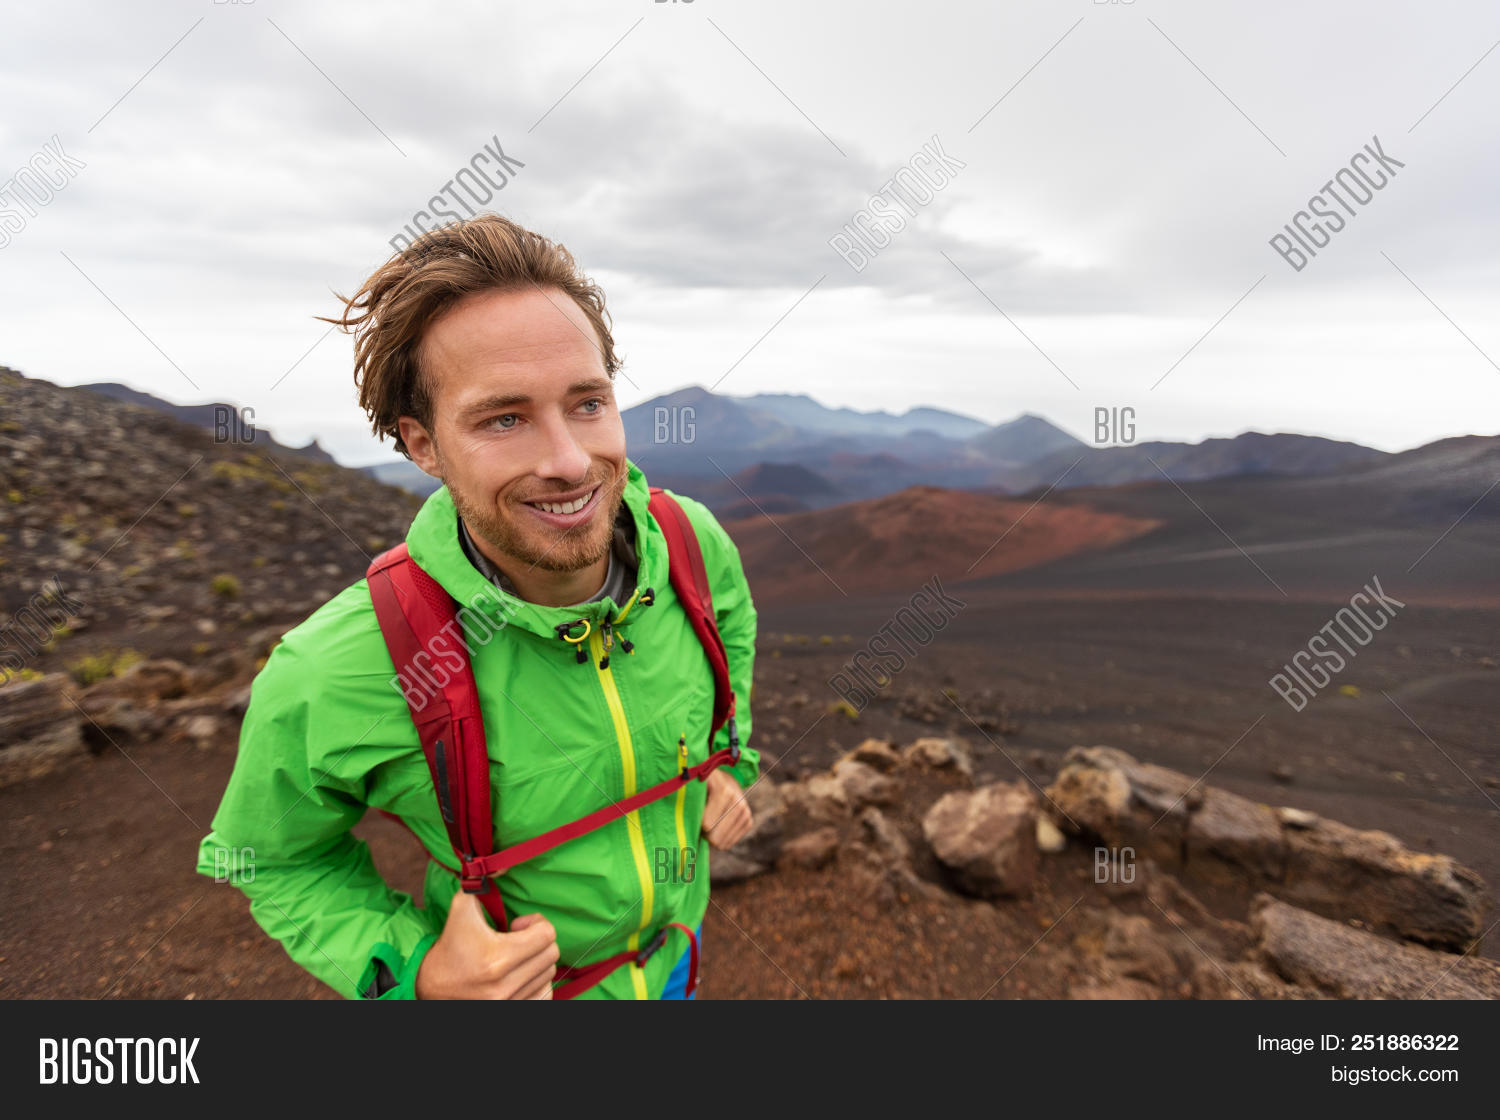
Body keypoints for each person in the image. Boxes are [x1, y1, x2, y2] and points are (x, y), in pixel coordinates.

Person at [196, 213, 758, 999]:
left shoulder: (690, 546)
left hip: (675, 968)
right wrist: (419, 974)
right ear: (422, 444)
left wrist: (717, 766)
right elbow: (269, 859)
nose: (569, 462)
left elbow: (727, 644)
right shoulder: (337, 667)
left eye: (587, 404)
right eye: (505, 418)